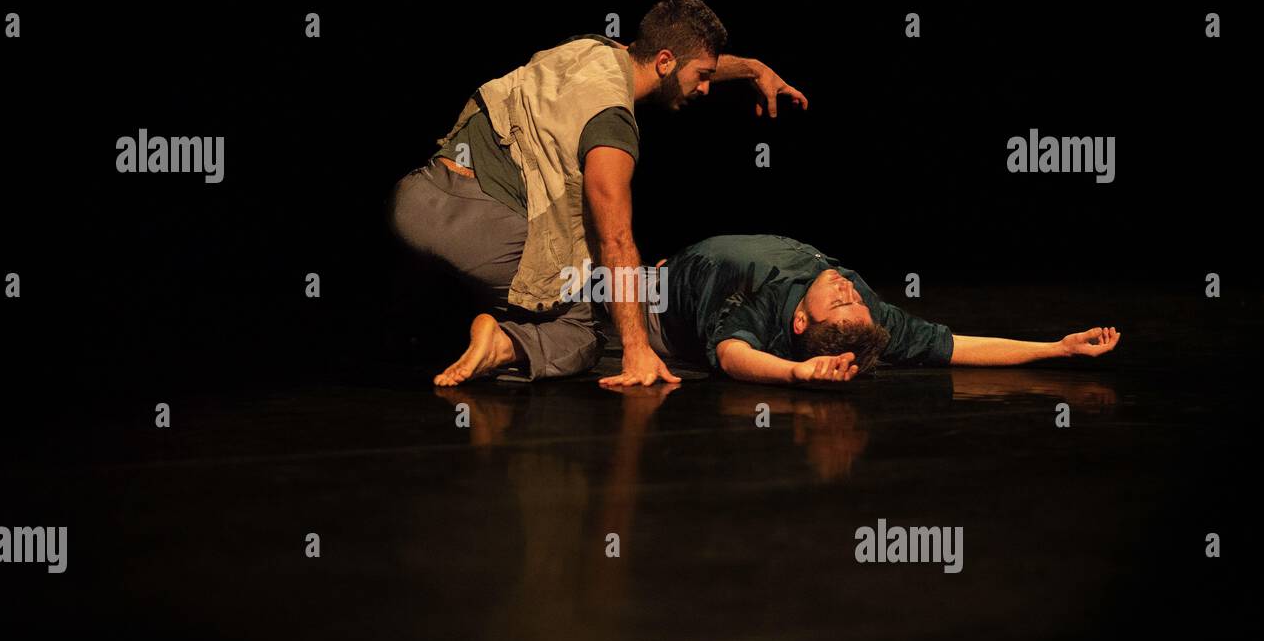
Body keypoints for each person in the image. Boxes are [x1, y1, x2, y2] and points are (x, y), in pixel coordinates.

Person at [388, 0, 809, 386]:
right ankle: (503, 344)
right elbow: (615, 237)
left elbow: (674, 59)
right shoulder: (612, 124)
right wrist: (637, 349)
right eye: (702, 77)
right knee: (588, 322)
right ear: (664, 61)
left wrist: (752, 68)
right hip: (477, 229)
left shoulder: (590, 48)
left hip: (416, 198)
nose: (705, 88)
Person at [432, 234, 1122, 387]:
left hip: (672, 319)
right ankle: (502, 333)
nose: (850, 291)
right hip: (643, 288)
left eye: (845, 303)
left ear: (800, 325)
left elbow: (957, 347)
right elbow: (733, 355)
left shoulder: (779, 312)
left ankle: (500, 339)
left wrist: (1056, 350)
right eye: (850, 296)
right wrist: (802, 373)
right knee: (581, 339)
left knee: (590, 356)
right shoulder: (803, 289)